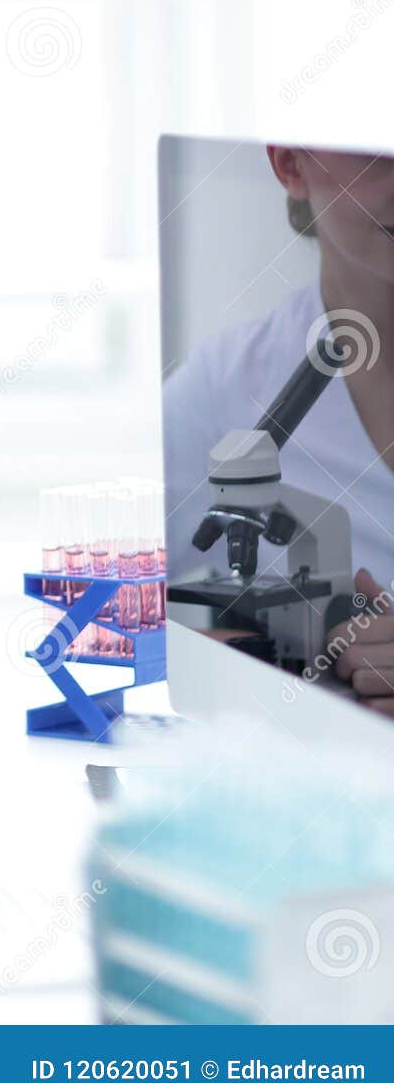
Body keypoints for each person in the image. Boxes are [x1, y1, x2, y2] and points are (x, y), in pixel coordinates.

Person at [162, 145, 394, 715]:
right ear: (291, 164)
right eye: (377, 153)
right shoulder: (225, 383)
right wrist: (214, 655)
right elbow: (109, 603)